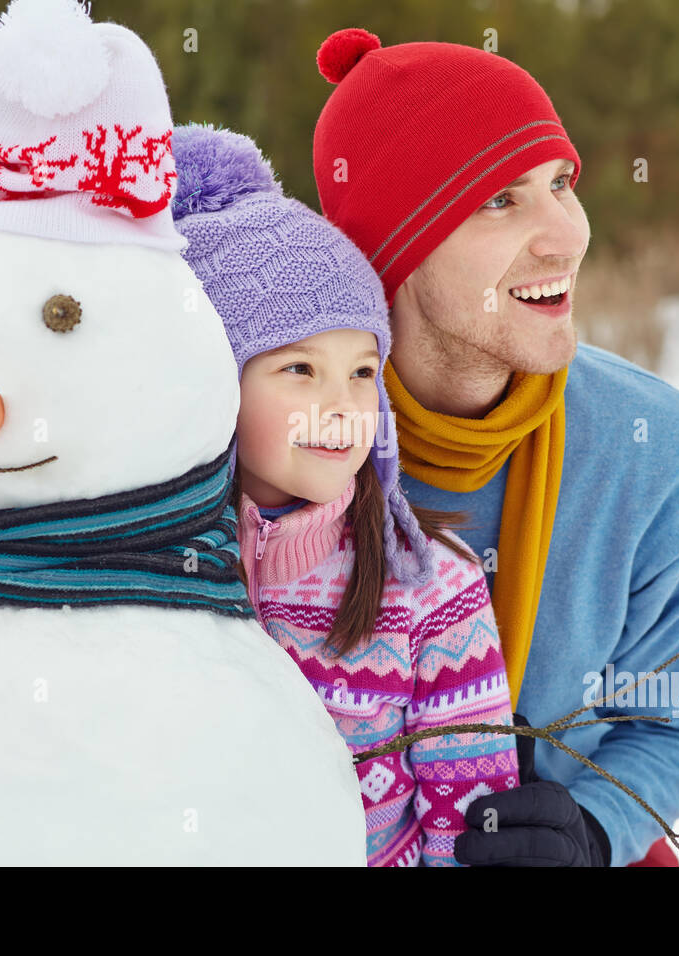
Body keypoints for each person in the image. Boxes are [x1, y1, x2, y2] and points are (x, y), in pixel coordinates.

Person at [311, 29, 679, 868]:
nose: (568, 236)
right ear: (394, 248)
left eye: (560, 184)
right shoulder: (275, 439)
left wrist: (589, 829)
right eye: (498, 200)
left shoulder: (664, 460)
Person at [169, 122, 523, 866]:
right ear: (214, 384)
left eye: (362, 372)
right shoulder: (155, 571)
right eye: (299, 370)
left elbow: (466, 837)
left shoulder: (432, 592)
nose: (341, 404)